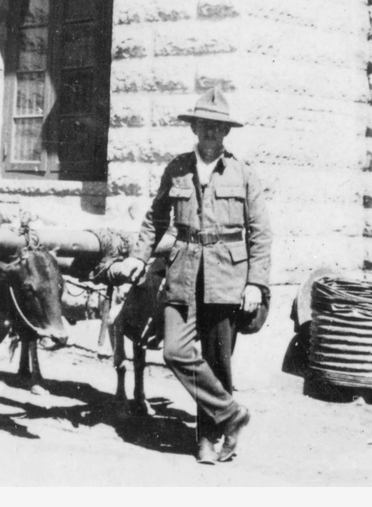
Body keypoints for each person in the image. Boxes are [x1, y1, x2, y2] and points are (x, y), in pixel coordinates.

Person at [110, 87, 272, 464]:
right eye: (204, 125)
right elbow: (154, 219)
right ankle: (233, 414)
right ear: (194, 128)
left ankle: (208, 440)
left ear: (226, 132)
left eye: (217, 127)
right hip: (182, 274)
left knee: (218, 363)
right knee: (174, 351)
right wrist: (138, 256)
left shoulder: (244, 173)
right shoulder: (177, 168)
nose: (210, 132)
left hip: (228, 278)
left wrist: (256, 284)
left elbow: (261, 233)